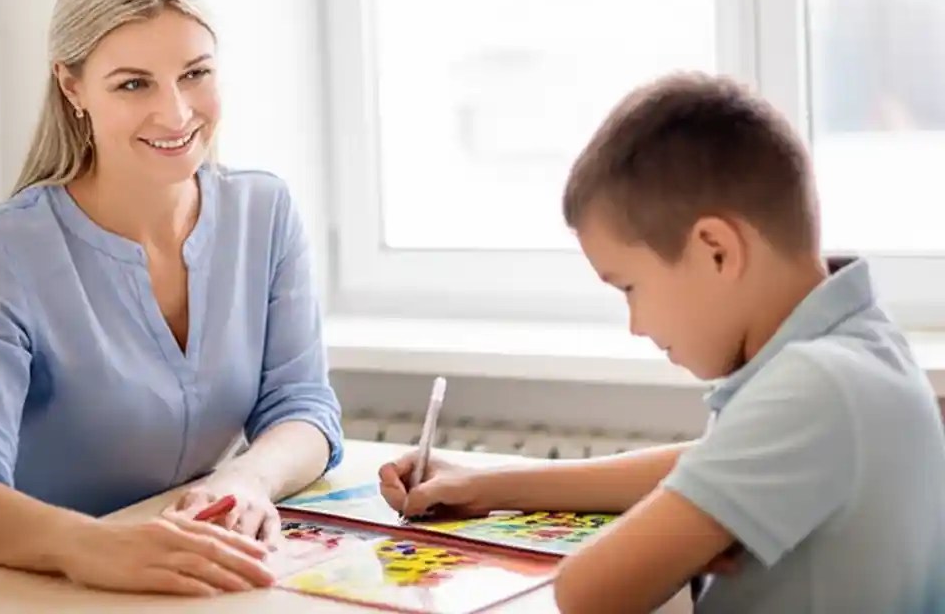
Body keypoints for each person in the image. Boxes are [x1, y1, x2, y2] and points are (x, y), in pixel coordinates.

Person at [378, 73, 945, 613]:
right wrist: (486, 485)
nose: (635, 324)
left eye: (630, 287)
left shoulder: (815, 389)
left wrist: (676, 532)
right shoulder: (864, 348)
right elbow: (702, 462)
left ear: (715, 250)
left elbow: (586, 593)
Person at [0, 0, 344, 598]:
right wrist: (94, 548)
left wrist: (244, 479)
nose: (177, 113)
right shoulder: (6, 250)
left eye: (195, 74)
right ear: (73, 87)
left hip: (159, 580)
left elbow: (302, 406)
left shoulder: (264, 213)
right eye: (134, 83)